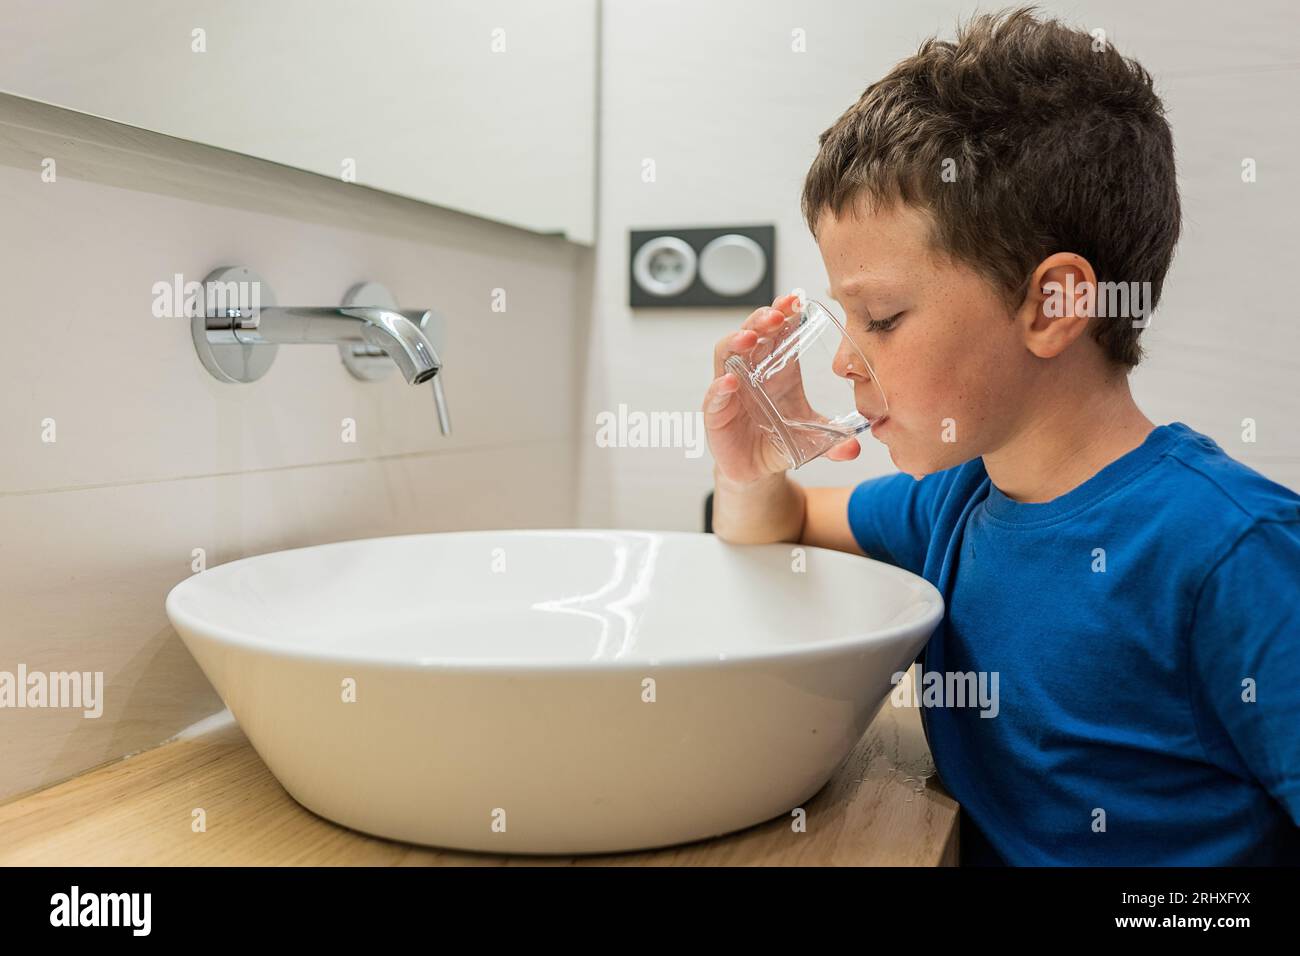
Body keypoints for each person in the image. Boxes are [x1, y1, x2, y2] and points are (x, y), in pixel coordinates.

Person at [703, 6, 1300, 865]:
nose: (843, 361)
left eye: (880, 318)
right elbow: (781, 527)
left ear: (1054, 305)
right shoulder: (958, 502)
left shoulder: (1233, 554)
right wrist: (752, 465)